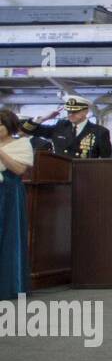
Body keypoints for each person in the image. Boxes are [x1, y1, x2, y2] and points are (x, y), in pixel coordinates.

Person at [0, 109, 35, 302]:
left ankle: (10, 285)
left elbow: (19, 169)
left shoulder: (21, 144)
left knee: (10, 236)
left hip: (9, 192)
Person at [21, 95, 111, 159]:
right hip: (61, 176)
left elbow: (107, 160)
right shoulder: (60, 126)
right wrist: (45, 118)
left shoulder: (99, 132)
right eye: (69, 112)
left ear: (85, 112)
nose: (71, 115)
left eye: (75, 112)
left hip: (86, 177)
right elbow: (26, 130)